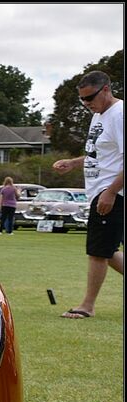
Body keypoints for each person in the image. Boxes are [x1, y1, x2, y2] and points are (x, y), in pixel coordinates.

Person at [52, 70, 124, 319]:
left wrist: (111, 192)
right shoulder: (98, 115)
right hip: (98, 192)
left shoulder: (119, 114)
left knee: (97, 252)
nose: (86, 104)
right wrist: (74, 162)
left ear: (106, 89)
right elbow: (100, 154)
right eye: (82, 100)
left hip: (112, 192)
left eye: (90, 98)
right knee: (106, 249)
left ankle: (87, 306)